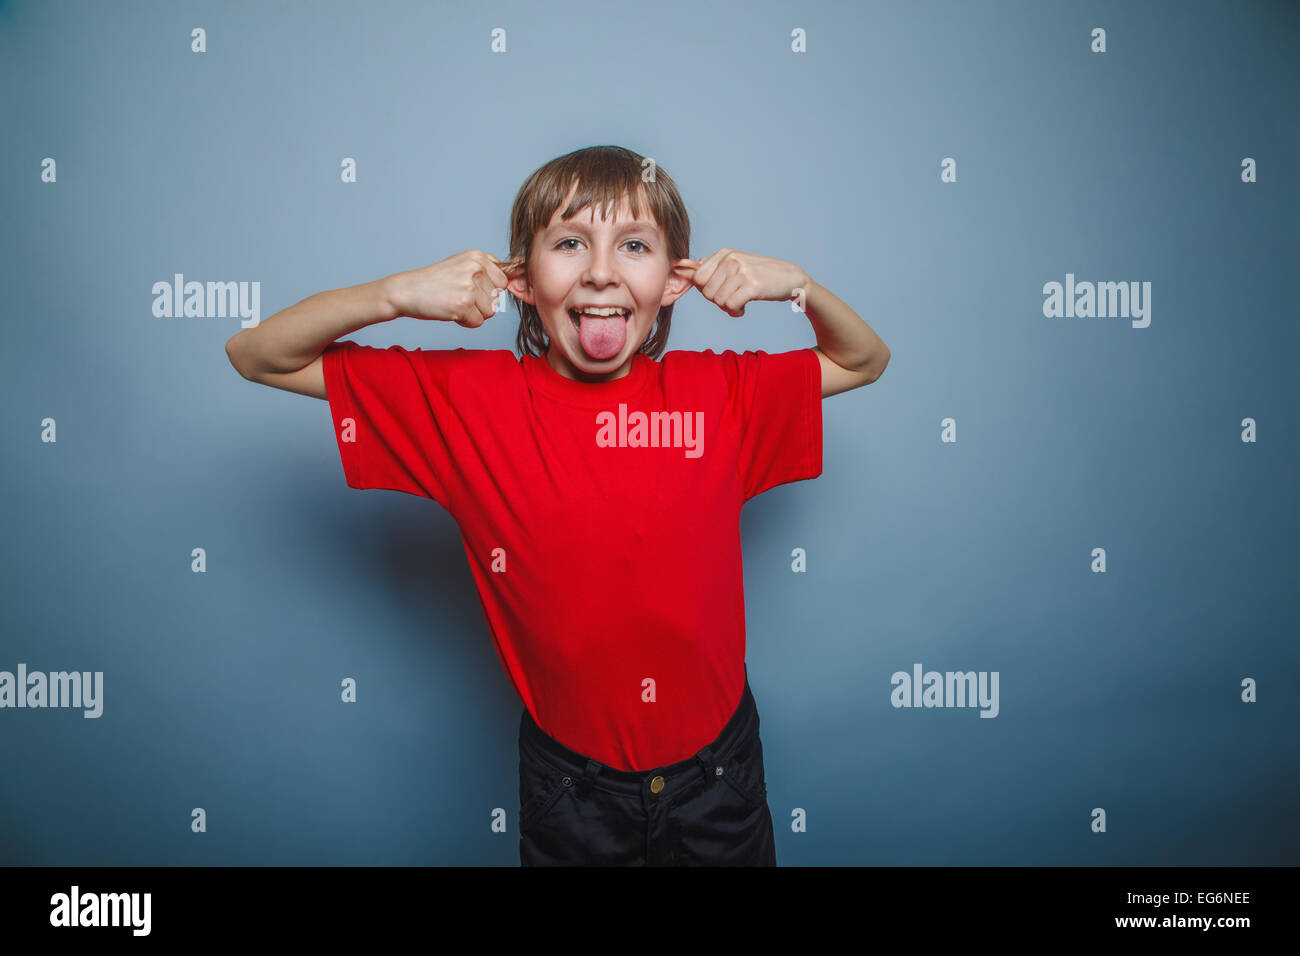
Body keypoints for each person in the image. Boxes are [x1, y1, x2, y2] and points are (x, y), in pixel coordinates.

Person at [225, 145, 890, 865]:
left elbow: (863, 359)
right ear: (521, 280)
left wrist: (799, 288)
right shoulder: (465, 403)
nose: (601, 271)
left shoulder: (723, 397)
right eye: (570, 243)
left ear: (674, 281)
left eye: (634, 246)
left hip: (718, 777)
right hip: (570, 791)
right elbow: (257, 354)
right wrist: (396, 294)